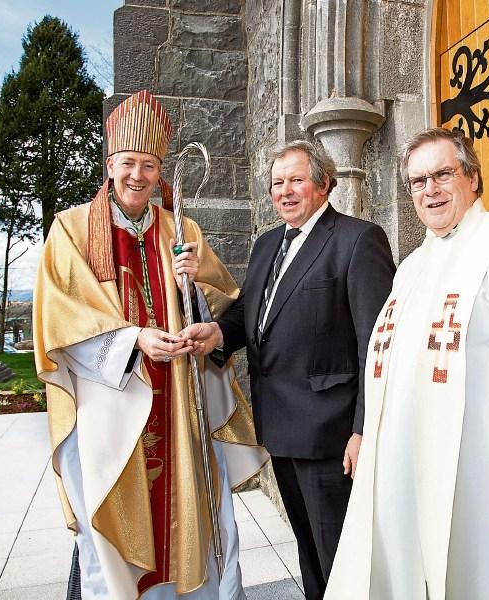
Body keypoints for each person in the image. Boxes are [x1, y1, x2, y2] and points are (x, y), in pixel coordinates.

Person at [324, 127, 489, 600]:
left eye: (443, 174)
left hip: (479, 478)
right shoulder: (412, 267)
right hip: (403, 475)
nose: (431, 190)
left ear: (473, 178)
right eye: (418, 182)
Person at [33, 89, 268, 600]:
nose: (137, 175)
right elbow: (60, 318)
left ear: (161, 171)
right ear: (109, 165)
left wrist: (192, 285)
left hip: (179, 403)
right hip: (111, 406)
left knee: (190, 511)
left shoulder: (181, 229)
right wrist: (133, 339)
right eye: (127, 163)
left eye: (148, 165)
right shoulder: (71, 230)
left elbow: (222, 310)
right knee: (113, 528)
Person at [184, 140, 395, 600]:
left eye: (296, 180)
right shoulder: (266, 245)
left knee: (343, 558)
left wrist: (364, 430)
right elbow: (251, 315)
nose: (285, 191)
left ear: (323, 184)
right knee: (310, 553)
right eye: (277, 183)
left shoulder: (358, 240)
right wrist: (216, 334)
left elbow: (377, 346)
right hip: (280, 427)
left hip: (333, 436)